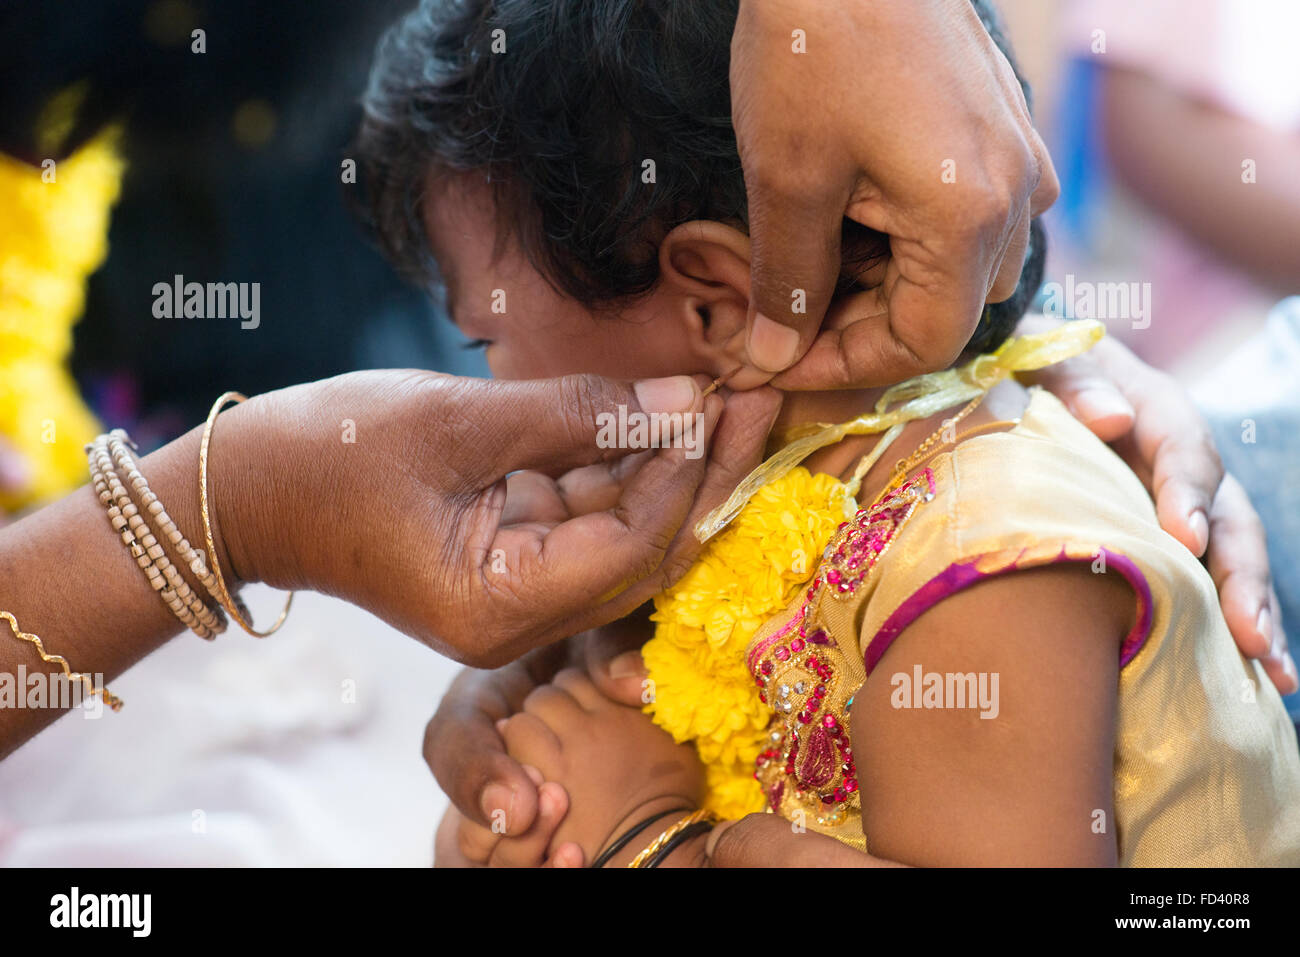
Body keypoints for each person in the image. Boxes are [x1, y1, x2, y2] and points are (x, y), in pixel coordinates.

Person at [353, 0, 1300, 865]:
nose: (485, 386)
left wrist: (651, 838)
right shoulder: (757, 467)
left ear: (719, 308)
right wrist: (547, 710)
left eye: (489, 338)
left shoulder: (974, 568)